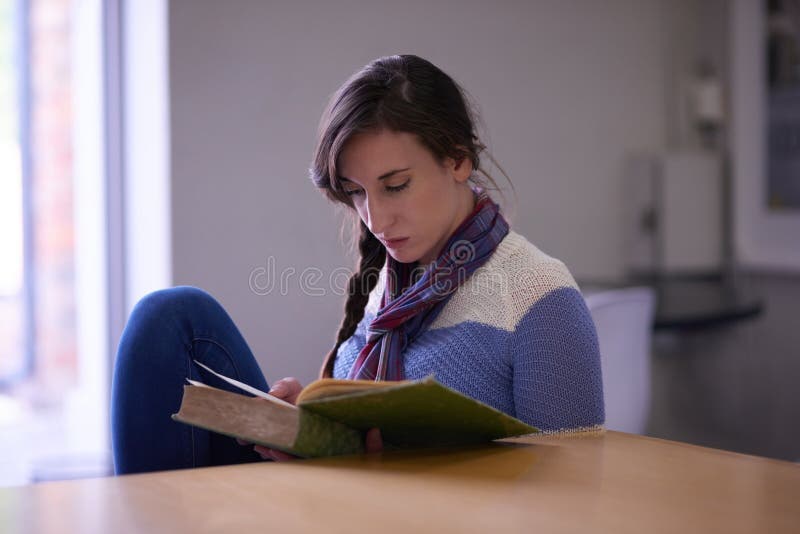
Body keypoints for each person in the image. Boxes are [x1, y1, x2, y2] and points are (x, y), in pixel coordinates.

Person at [111, 54, 604, 475]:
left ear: (457, 159)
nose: (375, 218)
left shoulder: (538, 296)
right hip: (337, 500)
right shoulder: (388, 287)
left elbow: (573, 491)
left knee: (174, 317)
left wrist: (394, 463)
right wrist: (308, 426)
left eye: (395, 185)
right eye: (356, 193)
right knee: (171, 318)